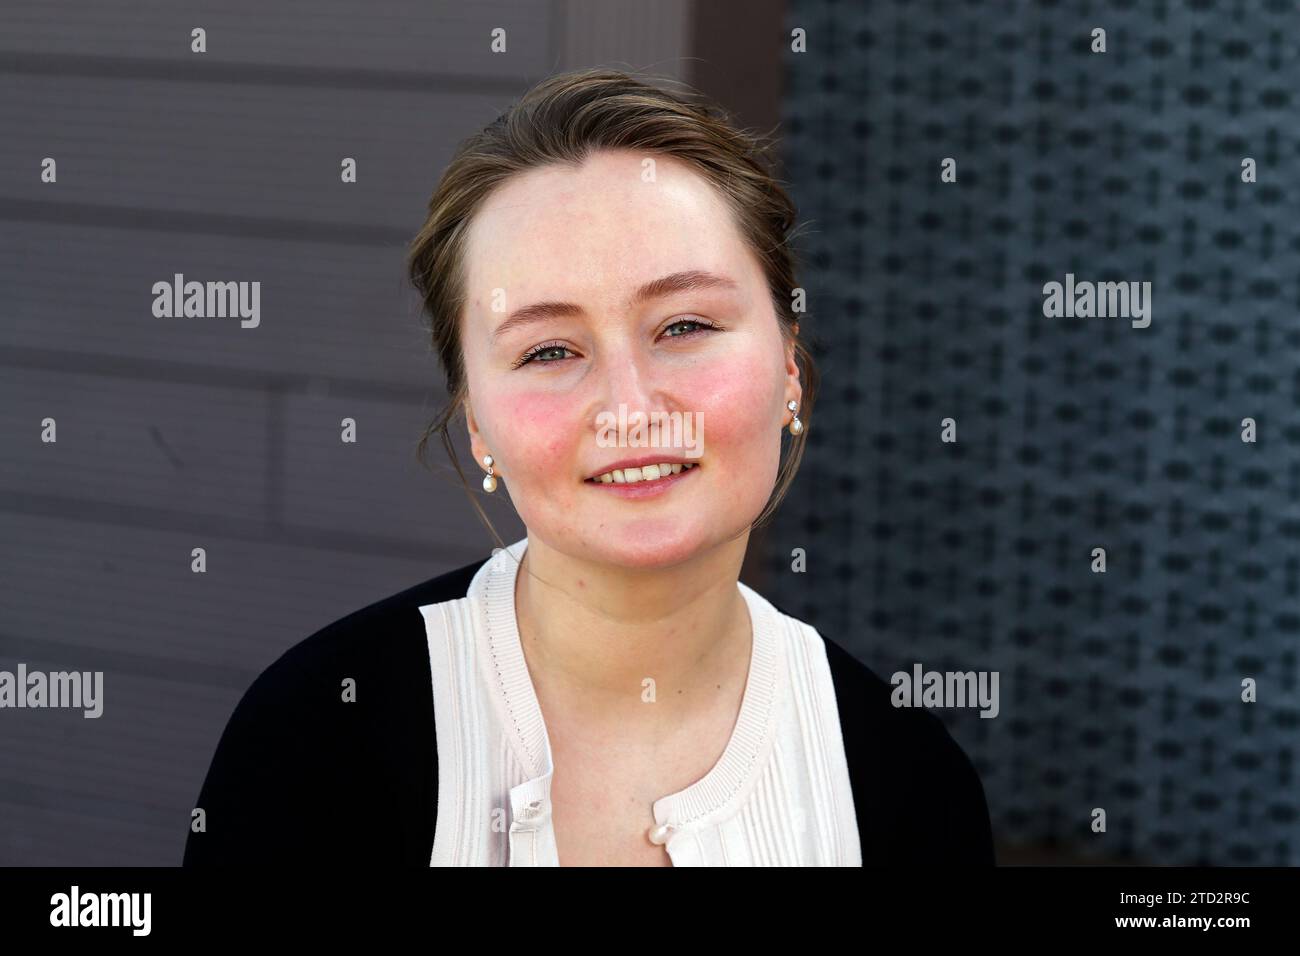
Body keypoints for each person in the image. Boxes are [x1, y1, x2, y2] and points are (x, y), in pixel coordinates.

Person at [183, 67, 994, 867]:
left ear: (788, 364)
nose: (631, 408)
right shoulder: (318, 737)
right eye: (549, 350)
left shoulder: (905, 778)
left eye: (683, 325)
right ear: (477, 424)